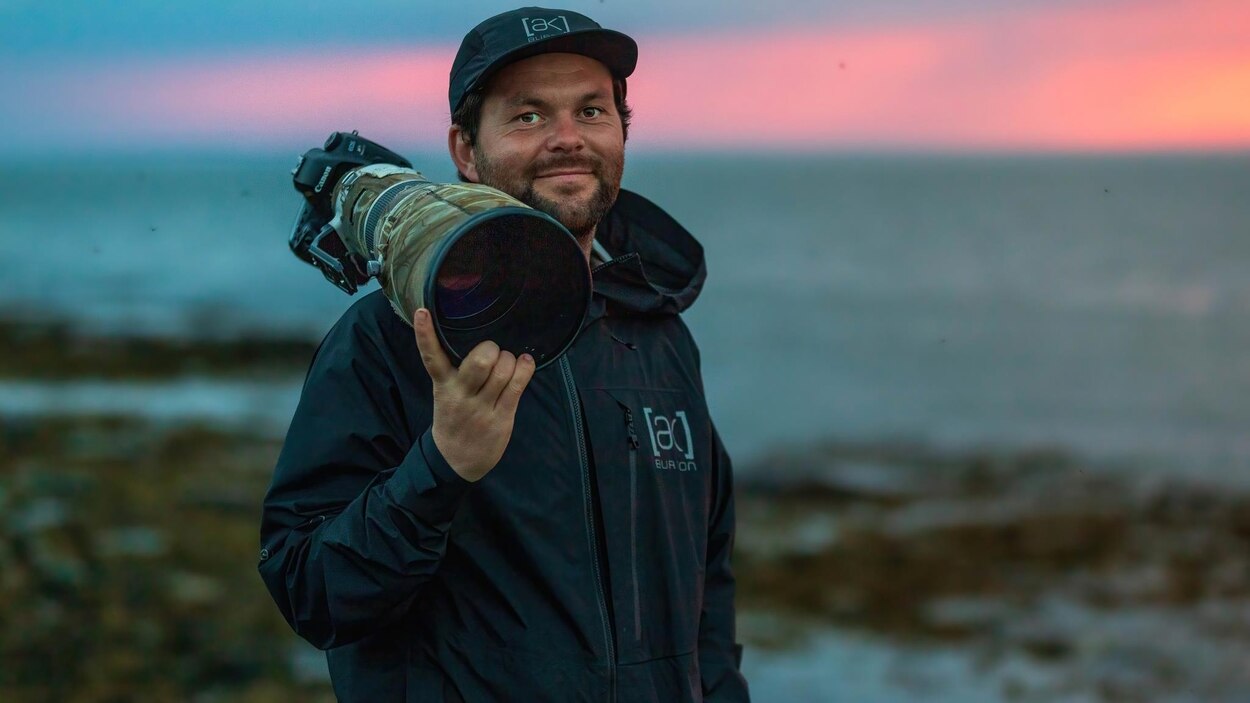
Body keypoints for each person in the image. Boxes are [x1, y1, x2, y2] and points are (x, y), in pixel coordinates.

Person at [258, 7, 750, 702]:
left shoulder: (656, 337)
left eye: (592, 111)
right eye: (528, 117)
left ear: (621, 132)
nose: (567, 139)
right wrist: (441, 467)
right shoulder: (393, 337)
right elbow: (310, 591)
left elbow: (707, 582)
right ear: (466, 150)